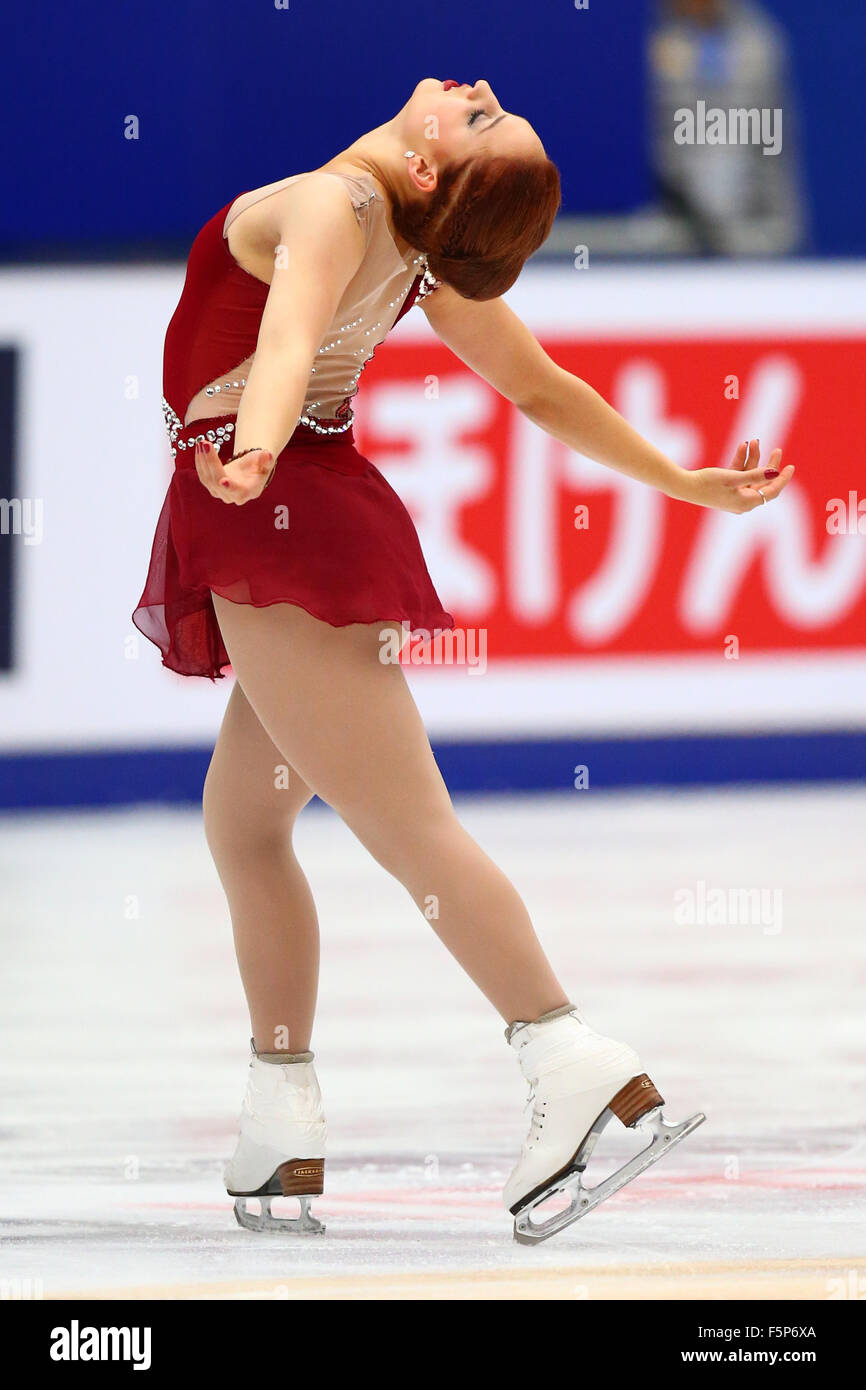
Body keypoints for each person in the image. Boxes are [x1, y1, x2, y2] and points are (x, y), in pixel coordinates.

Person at [133, 77, 793, 1242]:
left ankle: (568, 1056)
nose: (479, 90)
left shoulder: (342, 205)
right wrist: (687, 482)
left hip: (272, 508)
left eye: (482, 119)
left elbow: (289, 332)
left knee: (412, 828)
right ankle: (279, 1106)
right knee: (244, 825)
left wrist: (257, 441)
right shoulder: (414, 245)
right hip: (293, 506)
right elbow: (537, 388)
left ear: (428, 168)